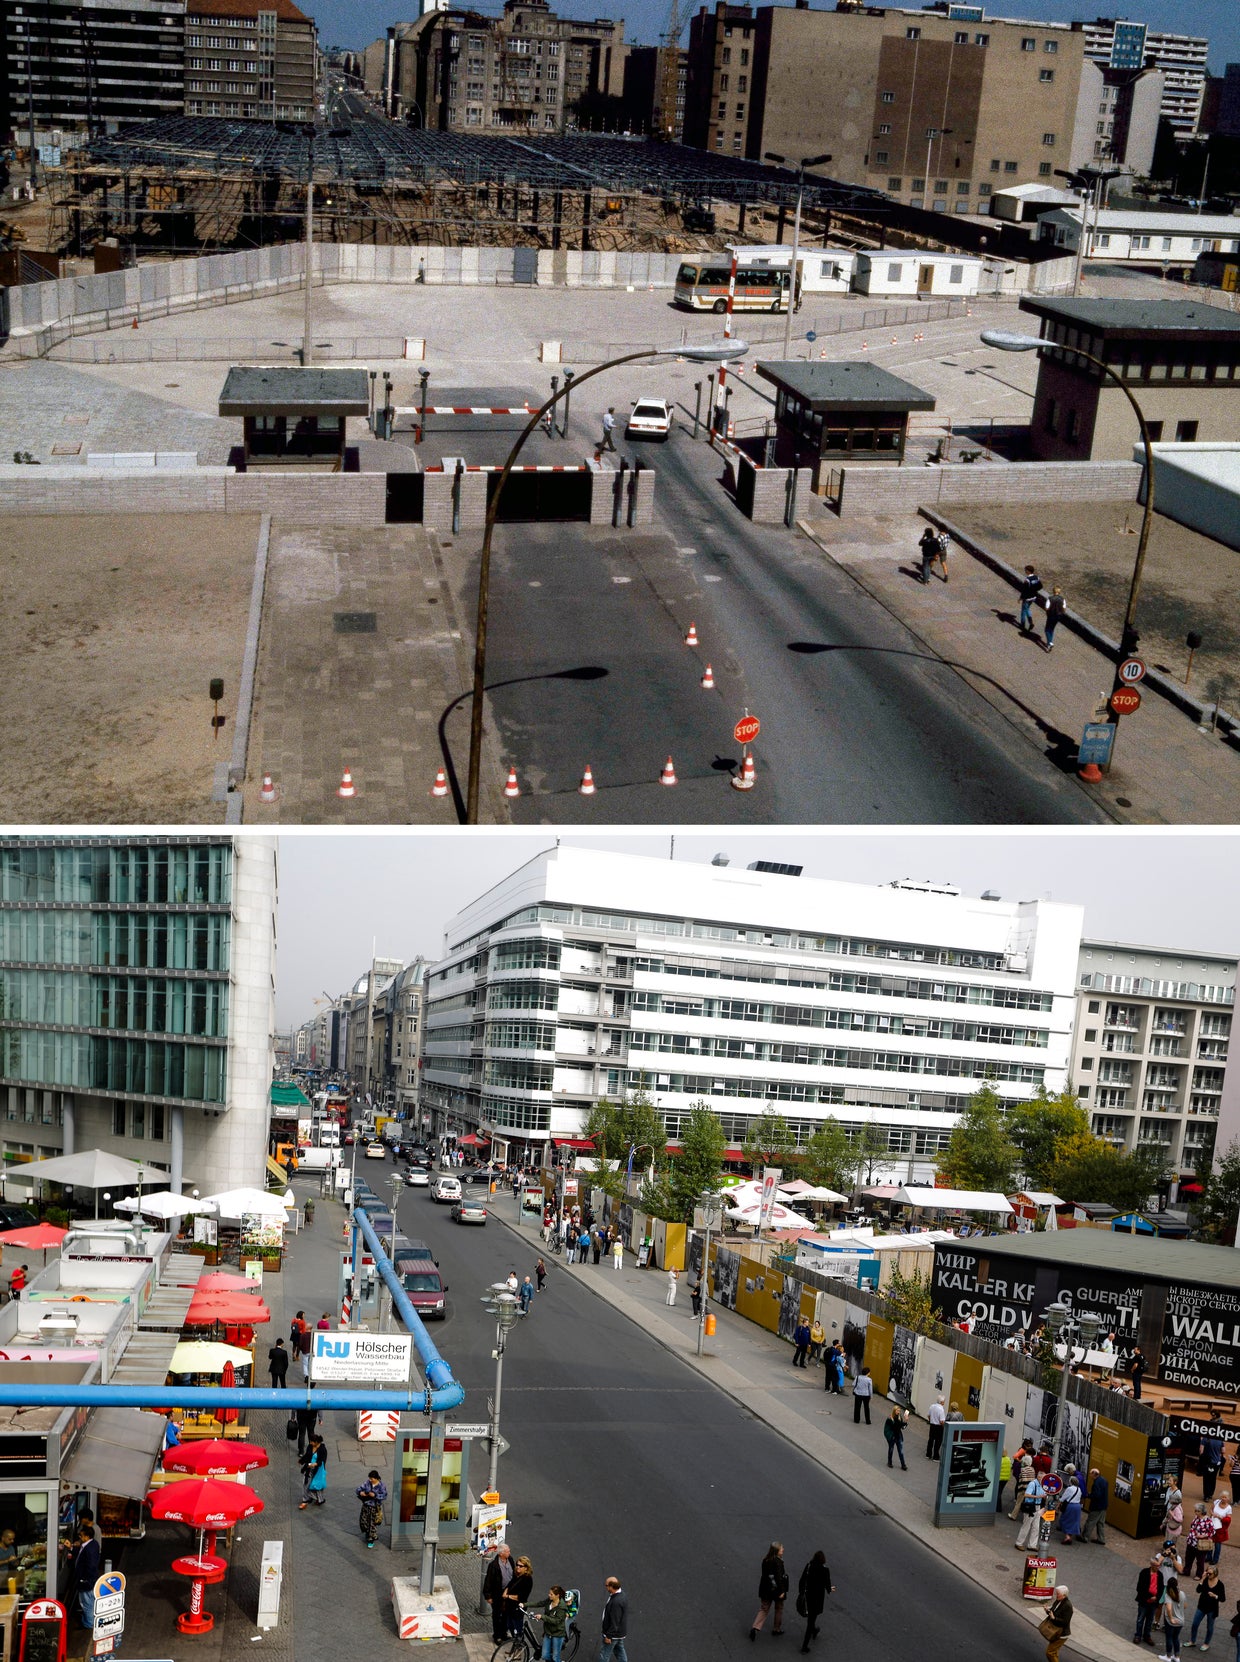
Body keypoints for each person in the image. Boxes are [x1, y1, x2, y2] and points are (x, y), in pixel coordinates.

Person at [796, 1550, 833, 1654]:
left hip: (807, 1598)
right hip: (817, 1601)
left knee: (810, 1620)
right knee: (811, 1621)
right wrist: (830, 1589)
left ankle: (814, 1630)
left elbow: (802, 1580)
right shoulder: (825, 1570)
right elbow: (827, 1585)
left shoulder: (808, 1566)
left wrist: (801, 1592)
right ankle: (804, 1646)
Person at [750, 1542, 789, 1640]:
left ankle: (755, 1627)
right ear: (776, 1552)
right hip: (777, 1591)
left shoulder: (766, 1560)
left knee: (764, 1609)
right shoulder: (778, 1562)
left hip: (765, 1590)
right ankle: (776, 1629)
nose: (783, 1549)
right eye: (781, 1549)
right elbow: (779, 1579)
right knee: (779, 1608)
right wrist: (782, 1591)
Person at [68, 1520, 101, 1628]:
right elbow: (81, 1553)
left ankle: (89, 1623)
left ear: (87, 1536)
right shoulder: (93, 1544)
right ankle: (90, 1621)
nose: (80, 1537)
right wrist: (72, 1548)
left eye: (81, 1535)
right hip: (90, 1580)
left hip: (86, 1581)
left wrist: (85, 1579)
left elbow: (90, 1565)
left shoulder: (88, 1548)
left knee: (86, 1603)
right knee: (90, 1601)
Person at [527, 1584, 572, 1661]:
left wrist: (542, 1617)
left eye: (551, 1594)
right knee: (544, 1655)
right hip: (548, 1632)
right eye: (549, 1593)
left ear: (557, 1595)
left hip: (557, 1634)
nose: (549, 1595)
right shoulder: (549, 1600)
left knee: (555, 1657)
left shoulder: (561, 1607)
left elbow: (556, 1621)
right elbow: (539, 1604)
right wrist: (524, 1604)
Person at [483, 1544, 515, 1645]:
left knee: (507, 1614)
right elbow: (488, 1581)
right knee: (497, 1615)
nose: (509, 1552)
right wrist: (488, 1596)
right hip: (498, 1594)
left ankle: (504, 1633)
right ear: (501, 1553)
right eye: (507, 1551)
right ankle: (497, 1636)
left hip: (509, 1592)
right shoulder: (494, 1565)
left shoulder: (510, 1559)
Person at [1191, 1566, 1226, 1651]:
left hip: (1212, 1609)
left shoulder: (1220, 1584)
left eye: (1210, 1573)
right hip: (1201, 1606)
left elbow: (1223, 1599)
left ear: (1215, 1574)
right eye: (1207, 1572)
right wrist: (1202, 1579)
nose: (1208, 1574)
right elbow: (1198, 1590)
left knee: (1209, 1627)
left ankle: (1206, 1643)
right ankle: (1192, 1641)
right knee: (1194, 1624)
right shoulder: (1205, 1580)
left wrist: (1215, 1596)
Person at [1136, 1558, 1167, 1645]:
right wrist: (1150, 1596)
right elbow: (1140, 1587)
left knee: (1149, 1620)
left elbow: (1161, 1589)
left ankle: (1147, 1636)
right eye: (1157, 1566)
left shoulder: (1160, 1575)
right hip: (1144, 1600)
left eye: (1159, 1565)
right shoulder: (1144, 1572)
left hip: (1154, 1602)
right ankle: (1138, 1635)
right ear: (1152, 1565)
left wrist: (1156, 1597)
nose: (1158, 1567)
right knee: (1140, 1619)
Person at [600, 1575, 629, 1662]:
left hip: (613, 1634)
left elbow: (615, 1621)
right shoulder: (622, 1595)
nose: (606, 1587)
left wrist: (608, 1636)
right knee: (620, 1651)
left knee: (604, 1655)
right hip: (619, 1633)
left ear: (612, 1586)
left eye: (606, 1585)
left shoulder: (616, 1602)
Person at [1015, 1473, 1047, 1552]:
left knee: (1036, 1527)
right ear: (1039, 1477)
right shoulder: (1033, 1484)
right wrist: (1038, 1497)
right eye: (1043, 1478)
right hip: (1031, 1507)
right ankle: (1019, 1543)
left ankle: (1032, 1545)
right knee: (1026, 1526)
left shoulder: (1042, 1485)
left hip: (1038, 1507)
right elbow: (1026, 1494)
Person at [505, 1555, 534, 1640]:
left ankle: (519, 1645)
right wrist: (506, 1590)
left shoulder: (527, 1580)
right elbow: (511, 1584)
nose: (518, 1567)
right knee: (509, 1624)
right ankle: (515, 1642)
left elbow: (521, 1597)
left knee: (517, 1628)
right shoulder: (517, 1574)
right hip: (510, 1606)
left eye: (520, 1566)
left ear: (526, 1568)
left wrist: (507, 1596)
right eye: (517, 1565)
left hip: (518, 1608)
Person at [356, 1469, 387, 1547]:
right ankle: (368, 1533)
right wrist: (361, 1492)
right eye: (369, 1478)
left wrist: (375, 1496)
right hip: (366, 1505)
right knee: (363, 1522)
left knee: (372, 1524)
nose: (370, 1480)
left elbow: (384, 1496)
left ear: (376, 1478)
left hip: (374, 1507)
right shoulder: (367, 1483)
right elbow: (358, 1489)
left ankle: (371, 1539)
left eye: (371, 1478)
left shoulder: (381, 1485)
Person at [1043, 1585, 1072, 1662]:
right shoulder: (1058, 1601)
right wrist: (1047, 1610)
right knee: (1054, 1652)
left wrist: (1054, 1618)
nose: (1056, 1595)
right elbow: (1053, 1612)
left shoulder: (1068, 1606)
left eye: (1058, 1594)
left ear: (1064, 1595)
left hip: (1061, 1633)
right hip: (1055, 1631)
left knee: (1050, 1653)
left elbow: (1065, 1622)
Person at [1160, 1576, 1186, 1659]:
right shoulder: (1182, 1593)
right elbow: (1185, 1606)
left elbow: (1168, 1608)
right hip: (1181, 1621)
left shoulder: (1168, 1595)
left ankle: (1168, 1656)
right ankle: (1177, 1657)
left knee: (1169, 1638)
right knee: (1176, 1638)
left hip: (1171, 1621)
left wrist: (1171, 1618)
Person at [298, 1433, 327, 1508]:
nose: (310, 1443)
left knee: (315, 1485)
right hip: (308, 1468)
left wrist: (315, 1464)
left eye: (312, 1442)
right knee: (305, 1483)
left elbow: (322, 1461)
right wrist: (301, 1461)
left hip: (317, 1470)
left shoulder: (323, 1449)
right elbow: (307, 1455)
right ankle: (305, 1500)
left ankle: (319, 1499)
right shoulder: (310, 1446)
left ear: (316, 1442)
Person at [1202, 1420, 1226, 1503]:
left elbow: (1201, 1450)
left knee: (1206, 1478)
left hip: (1207, 1462)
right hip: (1216, 1463)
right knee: (1213, 1478)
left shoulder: (1206, 1438)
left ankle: (1206, 1495)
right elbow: (1223, 1451)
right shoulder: (1220, 1439)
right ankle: (1210, 1494)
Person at [1058, 1470, 1083, 1545]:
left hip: (1070, 1506)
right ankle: (1069, 1536)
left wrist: (1059, 1504)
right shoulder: (1079, 1489)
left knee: (1065, 1520)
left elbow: (1063, 1498)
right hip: (1077, 1507)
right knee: (1074, 1521)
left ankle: (1067, 1537)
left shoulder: (1069, 1489)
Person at [1086, 1467, 1109, 1544]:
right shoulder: (1104, 1480)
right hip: (1104, 1505)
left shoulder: (1096, 1483)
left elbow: (1097, 1495)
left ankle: (1084, 1536)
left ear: (1094, 1474)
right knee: (1100, 1523)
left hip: (1096, 1506)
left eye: (1090, 1473)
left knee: (1090, 1521)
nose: (1090, 1475)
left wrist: (1089, 1495)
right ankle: (1101, 1539)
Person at [1018, 564, 1044, 633]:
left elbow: (1024, 590)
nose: (1025, 571)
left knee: (1025, 610)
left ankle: (1026, 623)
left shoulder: (1027, 580)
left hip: (1027, 597)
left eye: (1026, 570)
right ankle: (1025, 623)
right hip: (1034, 596)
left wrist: (1020, 598)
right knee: (1026, 609)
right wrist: (1034, 590)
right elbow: (1040, 586)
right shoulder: (1036, 578)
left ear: (1029, 571)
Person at [883, 1405, 909, 1471]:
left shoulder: (900, 1417)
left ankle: (903, 1465)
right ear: (894, 1411)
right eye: (897, 1410)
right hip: (892, 1437)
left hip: (898, 1436)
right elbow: (896, 1426)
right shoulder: (890, 1419)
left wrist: (905, 1422)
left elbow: (902, 1428)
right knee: (891, 1449)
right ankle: (889, 1462)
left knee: (901, 1451)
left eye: (899, 1411)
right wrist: (905, 1422)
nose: (899, 1412)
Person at [1043, 585, 1066, 651]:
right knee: (1052, 629)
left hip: (1051, 616)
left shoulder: (1050, 598)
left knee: (1047, 629)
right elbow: (1064, 608)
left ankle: (1050, 642)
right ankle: (1048, 644)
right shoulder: (1062, 599)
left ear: (1053, 591)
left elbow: (1046, 608)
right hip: (1058, 616)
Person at [1211, 1496, 1232, 1564]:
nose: (1223, 1498)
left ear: (1228, 1499)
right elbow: (1211, 1510)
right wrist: (1212, 1514)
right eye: (1222, 1496)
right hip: (1213, 1524)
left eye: (1225, 1497)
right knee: (1210, 1542)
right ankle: (1208, 1557)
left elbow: (1228, 1520)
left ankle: (1215, 1559)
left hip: (1220, 1528)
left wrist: (1220, 1517)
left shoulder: (1229, 1508)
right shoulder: (1216, 1501)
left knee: (1217, 1544)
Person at [996, 1449, 1013, 1514]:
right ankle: (998, 1507)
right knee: (1000, 1492)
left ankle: (998, 1508)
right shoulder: (1008, 1459)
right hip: (1005, 1479)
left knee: (998, 1493)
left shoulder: (1000, 1460)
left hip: (1000, 1478)